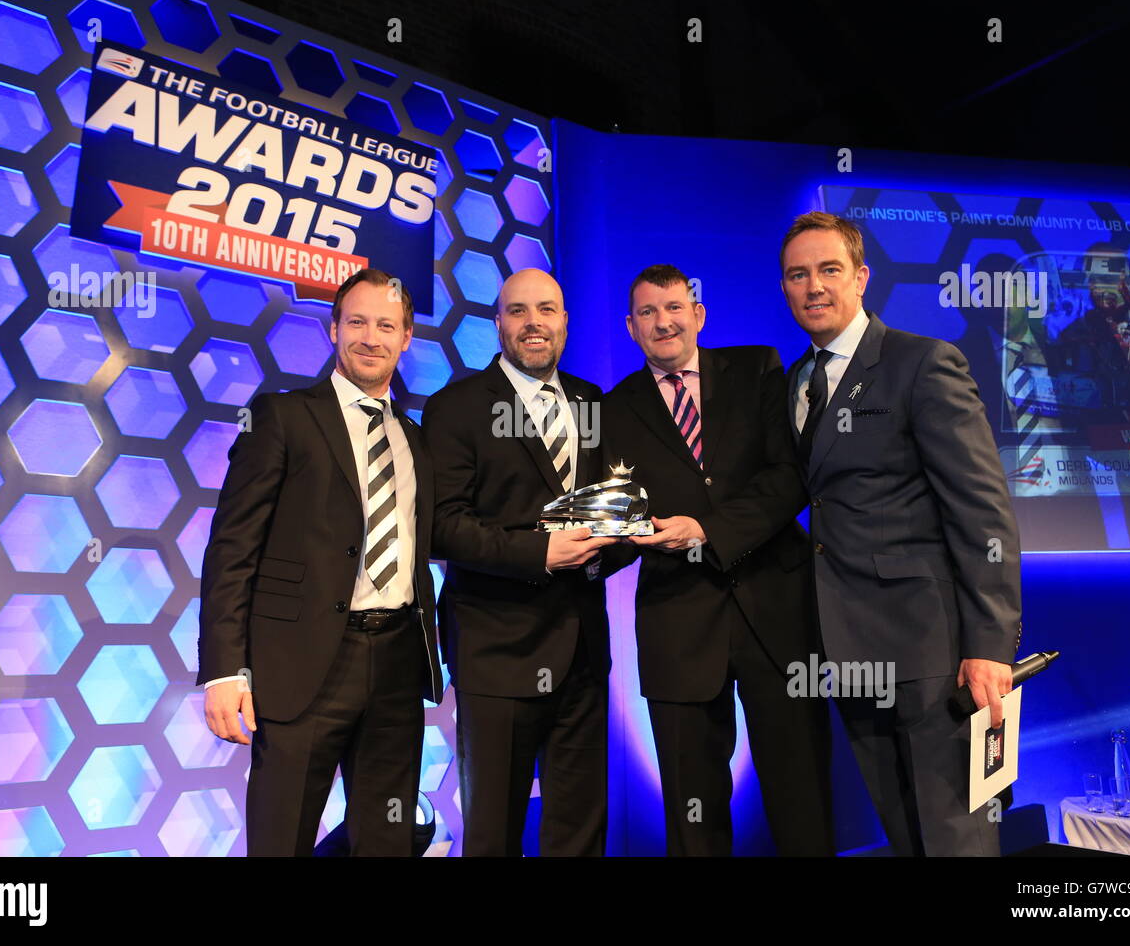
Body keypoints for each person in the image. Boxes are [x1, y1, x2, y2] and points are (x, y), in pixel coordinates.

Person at [780, 211, 1021, 856]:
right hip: (851, 652)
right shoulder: (797, 383)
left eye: (829, 270)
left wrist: (991, 646)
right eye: (798, 275)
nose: (814, 287)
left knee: (958, 840)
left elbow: (983, 512)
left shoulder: (923, 363)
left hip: (933, 651)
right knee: (905, 836)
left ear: (862, 277)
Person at [198, 267, 442, 856]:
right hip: (300, 668)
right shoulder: (282, 417)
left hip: (397, 667)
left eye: (386, 325)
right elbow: (232, 549)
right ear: (333, 329)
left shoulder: (415, 437)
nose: (370, 337)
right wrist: (225, 671)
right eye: (356, 321)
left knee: (386, 842)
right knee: (282, 839)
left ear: (406, 337)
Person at [601, 264, 833, 856]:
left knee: (801, 793)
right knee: (691, 809)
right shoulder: (614, 409)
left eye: (674, 307)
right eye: (648, 313)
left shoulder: (758, 369)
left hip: (777, 615)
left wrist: (707, 529)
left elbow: (790, 479)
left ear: (697, 314)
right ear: (631, 328)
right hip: (678, 622)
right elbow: (618, 516)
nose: (663, 322)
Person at [423, 267, 619, 856]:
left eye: (547, 310)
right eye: (518, 311)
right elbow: (443, 528)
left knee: (581, 828)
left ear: (564, 321)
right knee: (494, 827)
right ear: (498, 323)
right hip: (496, 653)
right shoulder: (456, 406)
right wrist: (543, 552)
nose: (534, 323)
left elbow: (614, 514)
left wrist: (615, 543)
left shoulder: (592, 402)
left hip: (583, 650)